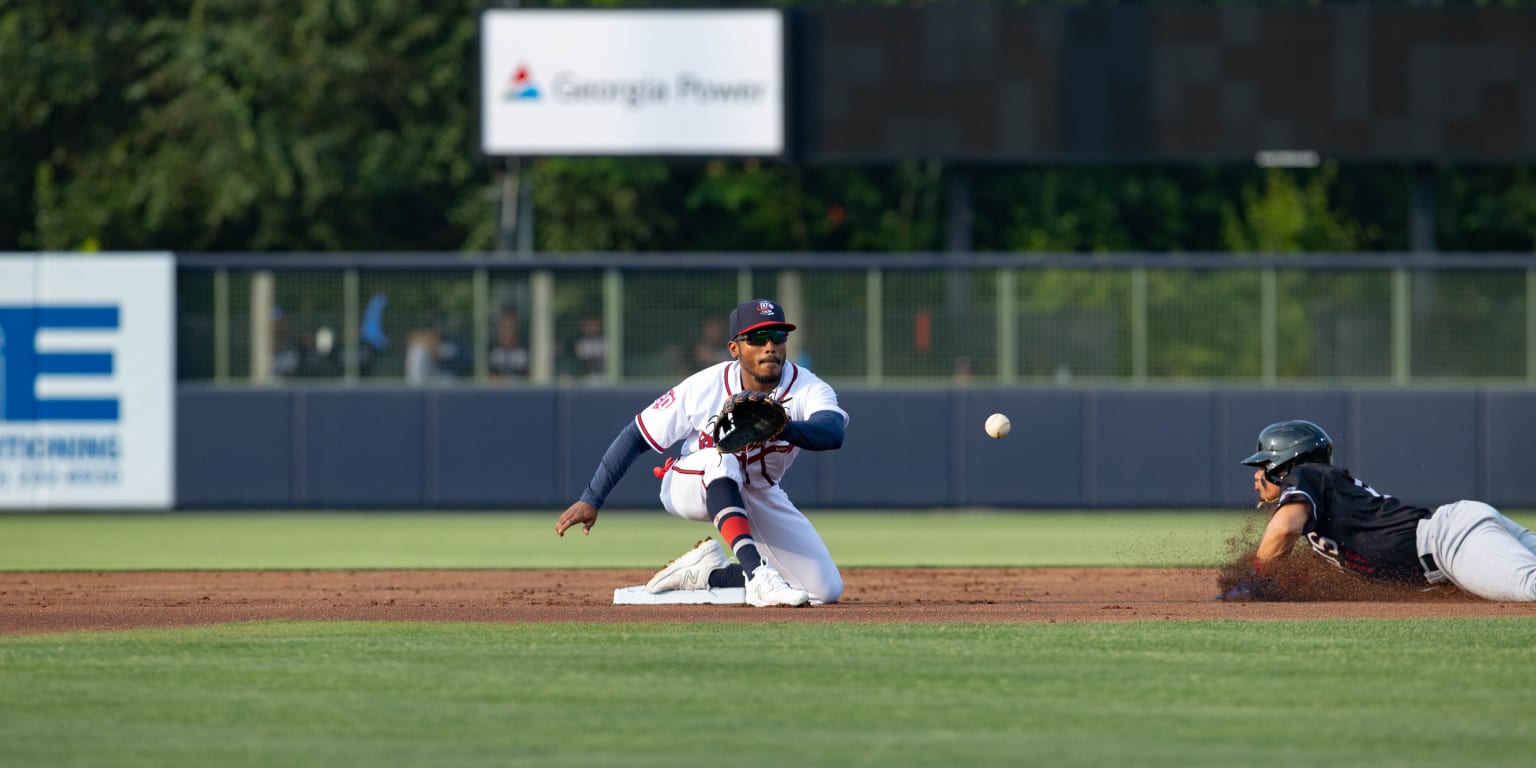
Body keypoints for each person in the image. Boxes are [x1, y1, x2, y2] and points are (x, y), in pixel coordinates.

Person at [555, 299, 849, 607]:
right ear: (734, 348)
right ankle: (758, 576)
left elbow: (832, 432)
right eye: (757, 338)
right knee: (722, 458)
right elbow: (636, 435)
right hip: (690, 483)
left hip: (758, 491)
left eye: (778, 336)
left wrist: (782, 428)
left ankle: (709, 573)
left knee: (823, 590)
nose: (769, 346)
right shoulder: (704, 385)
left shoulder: (806, 387)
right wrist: (592, 498)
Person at [1222, 419, 1536, 602]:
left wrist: (1256, 576)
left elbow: (1284, 529)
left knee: (1529, 586)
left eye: (1262, 464)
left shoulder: (1306, 475)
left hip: (1450, 542)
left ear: (1284, 463)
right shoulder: (1323, 491)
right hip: (1456, 534)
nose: (1256, 474)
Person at [488, 308, 530, 380]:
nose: (508, 330)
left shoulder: (523, 352)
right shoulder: (492, 351)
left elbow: (529, 379)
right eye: (504, 326)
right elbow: (489, 378)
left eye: (511, 326)